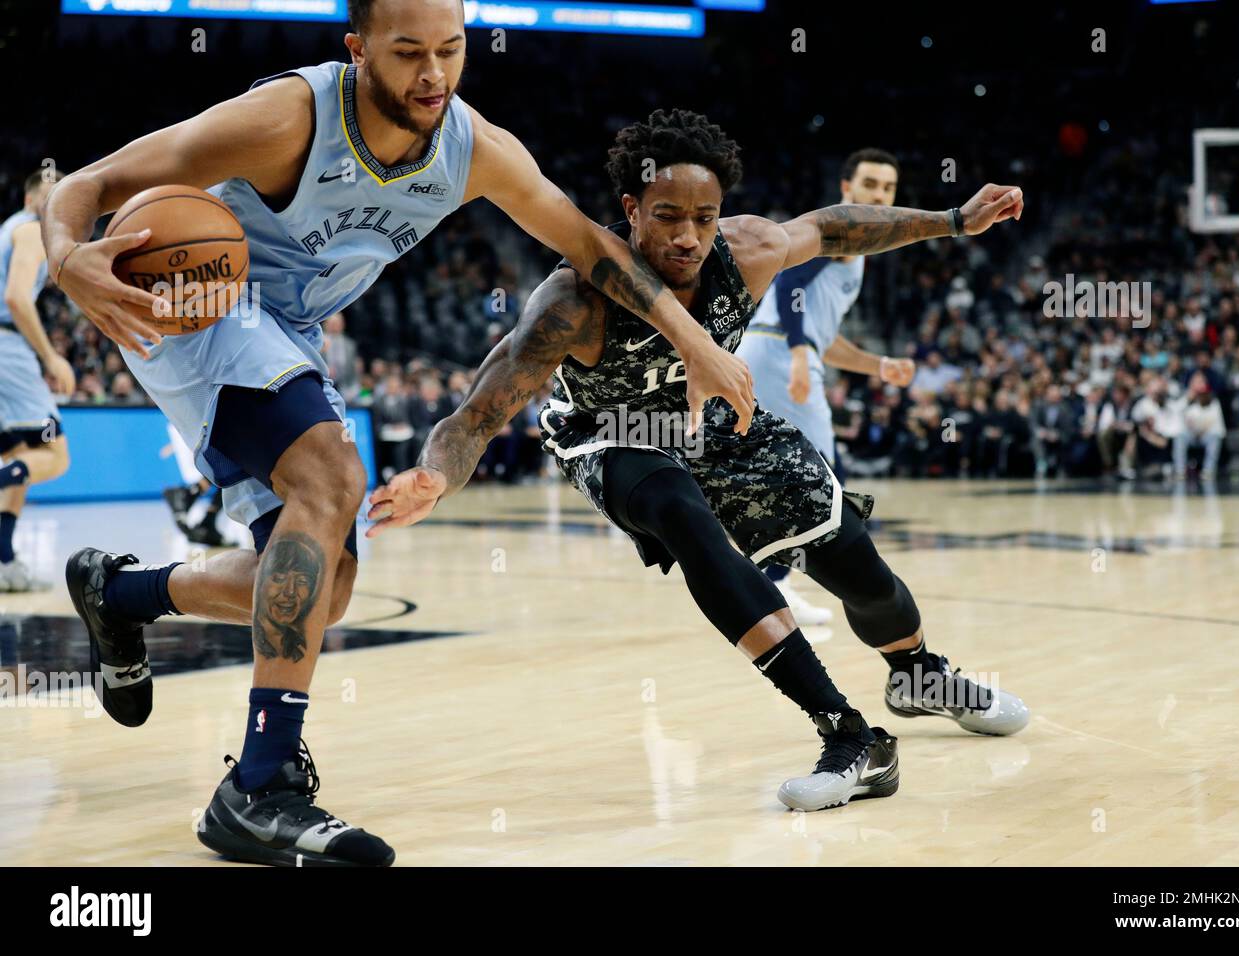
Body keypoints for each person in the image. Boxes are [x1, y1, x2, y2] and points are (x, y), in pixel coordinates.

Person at [42, 0, 754, 868]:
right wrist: (66, 254)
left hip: (292, 331)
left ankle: (123, 595)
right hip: (201, 301)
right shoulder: (288, 119)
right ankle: (260, 787)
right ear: (358, 49)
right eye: (409, 51)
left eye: (450, 51)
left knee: (322, 591)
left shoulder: (471, 147)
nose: (433, 75)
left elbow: (589, 245)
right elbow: (88, 183)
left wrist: (694, 340)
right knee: (331, 480)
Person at [369, 109, 1030, 813]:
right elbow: (477, 413)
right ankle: (848, 733)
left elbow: (834, 226)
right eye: (667, 216)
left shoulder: (744, 254)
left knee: (855, 565)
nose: (687, 236)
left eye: (703, 218)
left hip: (715, 421)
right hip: (609, 430)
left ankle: (917, 674)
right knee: (679, 514)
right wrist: (435, 475)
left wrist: (953, 219)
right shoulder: (572, 304)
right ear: (632, 209)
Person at [735, 148, 915, 625]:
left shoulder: (859, 253)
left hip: (775, 350)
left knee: (795, 476)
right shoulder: (841, 233)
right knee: (823, 477)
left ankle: (772, 586)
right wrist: (797, 354)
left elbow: (823, 338)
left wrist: (877, 365)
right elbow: (789, 281)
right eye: (870, 185)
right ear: (846, 190)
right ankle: (776, 588)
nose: (880, 195)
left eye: (888, 188)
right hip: (776, 353)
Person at [0, 170, 75, 592]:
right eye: (52, 194)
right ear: (33, 198)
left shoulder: (6, 230)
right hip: (8, 350)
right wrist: (50, 356)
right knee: (55, 452)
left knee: (20, 455)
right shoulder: (29, 230)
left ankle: (4, 560)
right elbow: (14, 297)